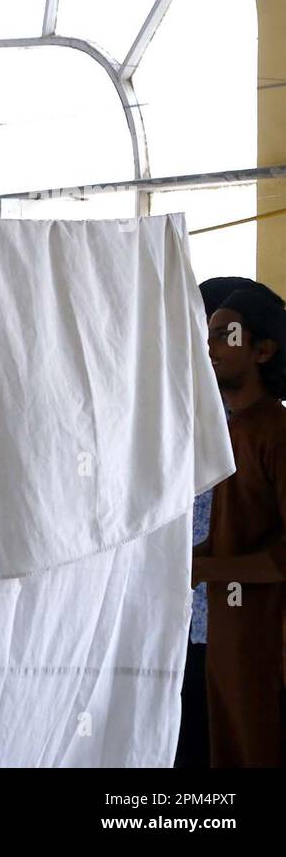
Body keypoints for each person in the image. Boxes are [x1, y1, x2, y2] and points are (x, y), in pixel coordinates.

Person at [177, 278, 286, 768]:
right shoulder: (216, 428)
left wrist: (203, 569)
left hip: (255, 639)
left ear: (263, 350)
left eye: (226, 335)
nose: (211, 346)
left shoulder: (274, 433)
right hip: (204, 633)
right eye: (208, 335)